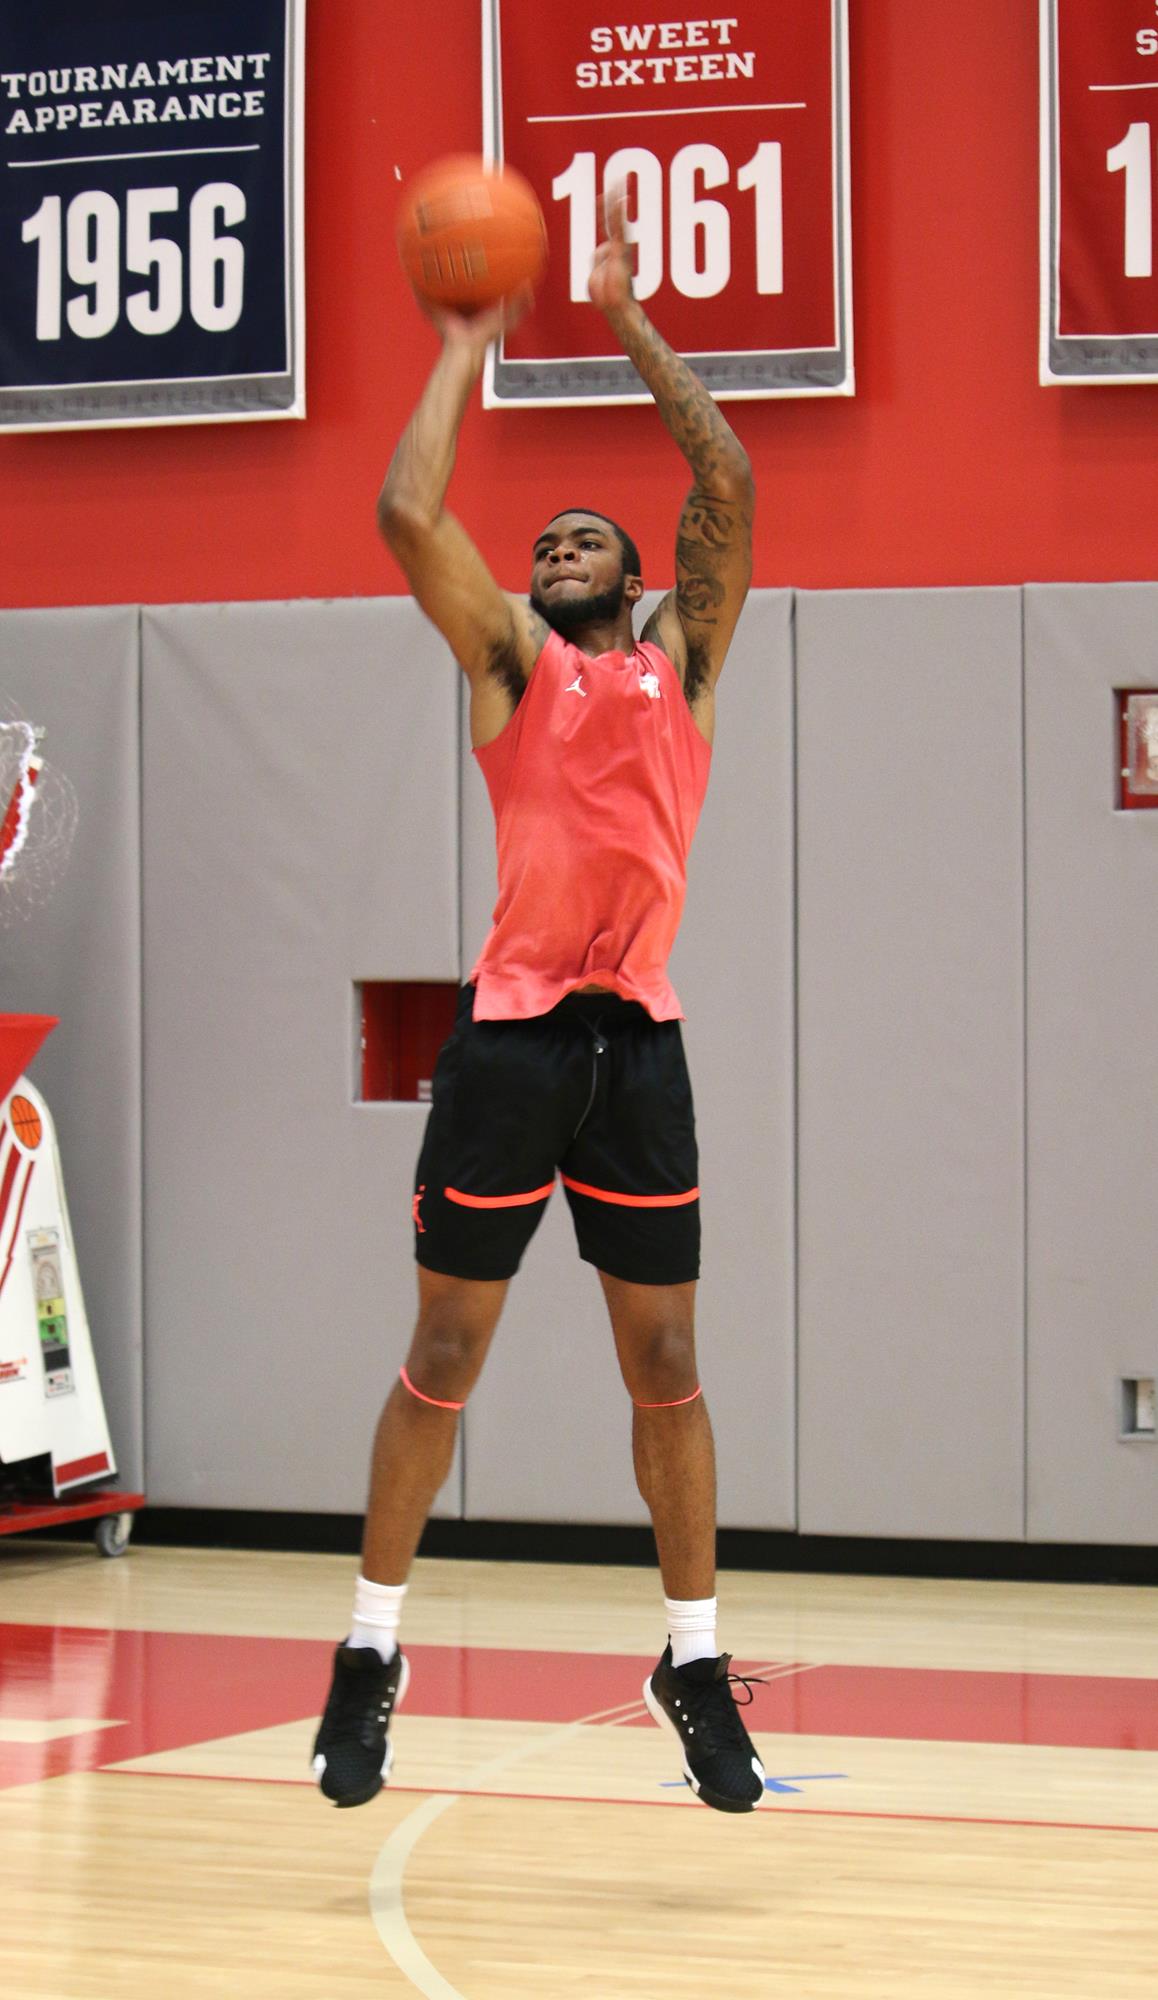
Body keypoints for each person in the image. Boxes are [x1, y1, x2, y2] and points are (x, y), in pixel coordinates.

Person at [312, 198, 764, 1815]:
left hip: (637, 1043)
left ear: (637, 580)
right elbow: (401, 509)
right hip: (509, 1040)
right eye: (544, 540)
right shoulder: (513, 664)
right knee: (444, 1342)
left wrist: (629, 322)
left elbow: (727, 484)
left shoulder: (680, 666)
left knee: (667, 1362)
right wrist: (457, 346)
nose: (555, 548)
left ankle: (691, 1661)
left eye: (587, 538)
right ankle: (370, 1650)